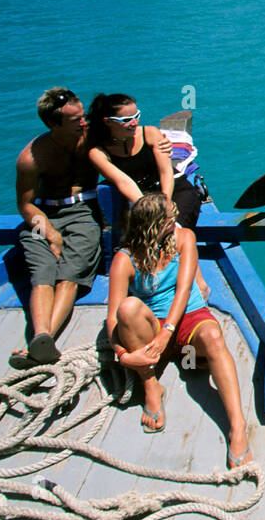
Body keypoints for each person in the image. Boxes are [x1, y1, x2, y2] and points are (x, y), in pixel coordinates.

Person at [106, 194, 252, 468]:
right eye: (168, 220)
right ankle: (151, 384)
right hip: (150, 326)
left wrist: (167, 334)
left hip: (186, 317)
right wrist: (123, 356)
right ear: (151, 227)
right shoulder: (124, 260)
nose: (174, 223)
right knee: (127, 309)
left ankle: (237, 425)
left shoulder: (183, 238)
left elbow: (184, 291)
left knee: (213, 337)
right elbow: (113, 318)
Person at [10, 88, 102, 370]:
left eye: (83, 116)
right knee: (43, 274)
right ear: (53, 124)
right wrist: (49, 231)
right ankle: (42, 338)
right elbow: (25, 206)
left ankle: (40, 342)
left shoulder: (92, 137)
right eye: (75, 120)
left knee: (70, 274)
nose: (83, 122)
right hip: (43, 214)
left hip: (83, 211)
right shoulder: (32, 157)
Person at [86, 93, 209, 299]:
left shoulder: (150, 133)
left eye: (137, 115)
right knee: (146, 235)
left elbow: (166, 172)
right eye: (126, 120)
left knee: (173, 228)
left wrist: (165, 204)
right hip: (140, 201)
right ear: (108, 122)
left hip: (175, 191)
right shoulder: (98, 153)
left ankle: (200, 286)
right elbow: (124, 182)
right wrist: (149, 209)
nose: (134, 122)